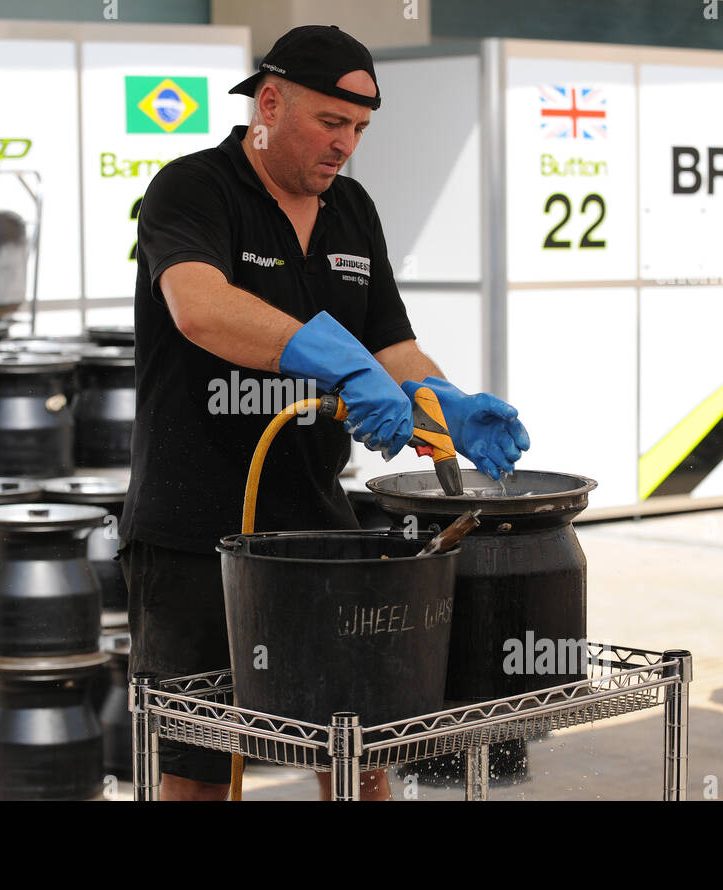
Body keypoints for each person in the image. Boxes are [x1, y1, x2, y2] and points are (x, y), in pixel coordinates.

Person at [118, 24, 530, 801]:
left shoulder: (351, 210)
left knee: (359, 748)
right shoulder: (193, 187)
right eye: (330, 123)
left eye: (361, 129)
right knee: (202, 769)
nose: (346, 145)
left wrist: (445, 402)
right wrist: (337, 362)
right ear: (268, 104)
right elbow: (199, 308)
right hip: (191, 531)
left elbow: (392, 345)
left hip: (316, 526)